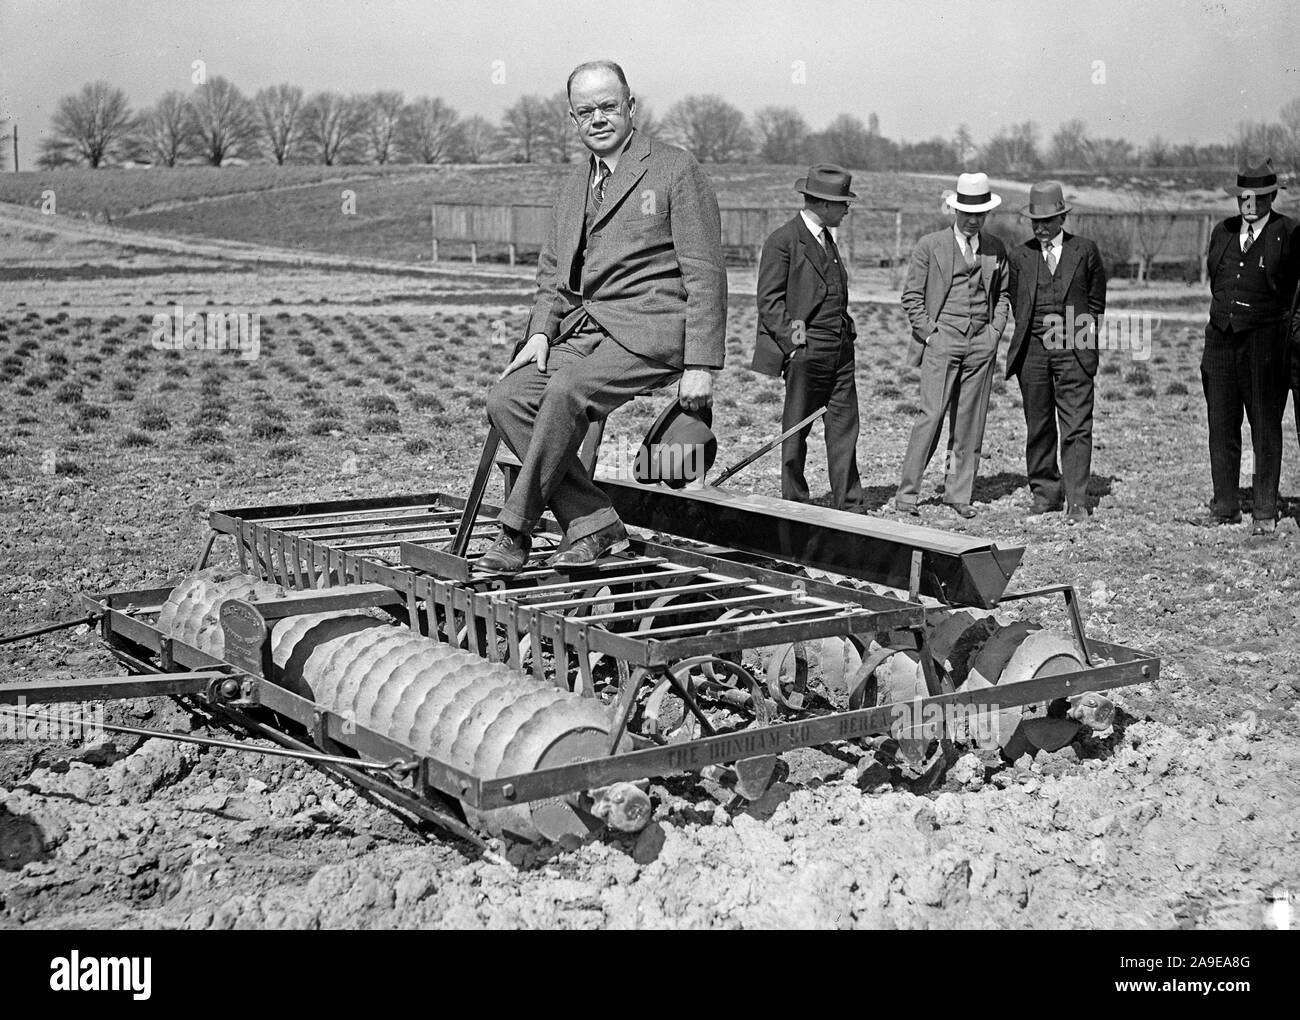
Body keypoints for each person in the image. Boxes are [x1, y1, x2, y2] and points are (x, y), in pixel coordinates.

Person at [481, 60, 727, 573]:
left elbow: (706, 273)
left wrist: (701, 365)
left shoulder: (675, 169)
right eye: (585, 111)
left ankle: (513, 530)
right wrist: (540, 334)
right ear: (573, 120)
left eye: (608, 107)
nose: (598, 118)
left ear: (630, 107)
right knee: (506, 396)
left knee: (565, 391)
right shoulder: (573, 187)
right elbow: (553, 271)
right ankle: (594, 522)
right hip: (586, 330)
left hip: (652, 332)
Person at [895, 172, 1011, 518]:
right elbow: (911, 296)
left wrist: (993, 333)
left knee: (970, 422)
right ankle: (907, 495)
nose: (973, 220)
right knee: (930, 417)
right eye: (967, 213)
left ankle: (958, 495)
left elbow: (1003, 295)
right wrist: (931, 334)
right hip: (942, 341)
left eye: (980, 214)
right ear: (954, 211)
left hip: (980, 344)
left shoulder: (995, 248)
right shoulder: (930, 245)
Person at [752, 164, 865, 511]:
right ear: (824, 204)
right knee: (796, 431)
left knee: (845, 427)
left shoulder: (827, 239)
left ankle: (850, 503)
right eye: (843, 203)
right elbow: (769, 301)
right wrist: (794, 344)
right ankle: (795, 503)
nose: (847, 210)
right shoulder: (784, 240)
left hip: (840, 352)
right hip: (807, 350)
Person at [1200, 156, 1300, 537]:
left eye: (1258, 196)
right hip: (1220, 342)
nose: (1249, 203)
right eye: (1244, 196)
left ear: (1272, 196)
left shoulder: (1288, 233)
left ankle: (1263, 510)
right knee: (1221, 425)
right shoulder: (1222, 232)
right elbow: (1216, 279)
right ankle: (1224, 505)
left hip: (1265, 344)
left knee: (1264, 428)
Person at [1005, 180, 1108, 525]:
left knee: (1077, 424)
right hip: (1033, 350)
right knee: (1039, 424)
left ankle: (1076, 500)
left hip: (1074, 347)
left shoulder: (1086, 251)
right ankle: (1045, 492)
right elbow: (1015, 300)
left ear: (1062, 218)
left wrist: (1084, 335)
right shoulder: (1020, 255)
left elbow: (1095, 302)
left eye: (1048, 220)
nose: (1041, 227)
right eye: (1035, 221)